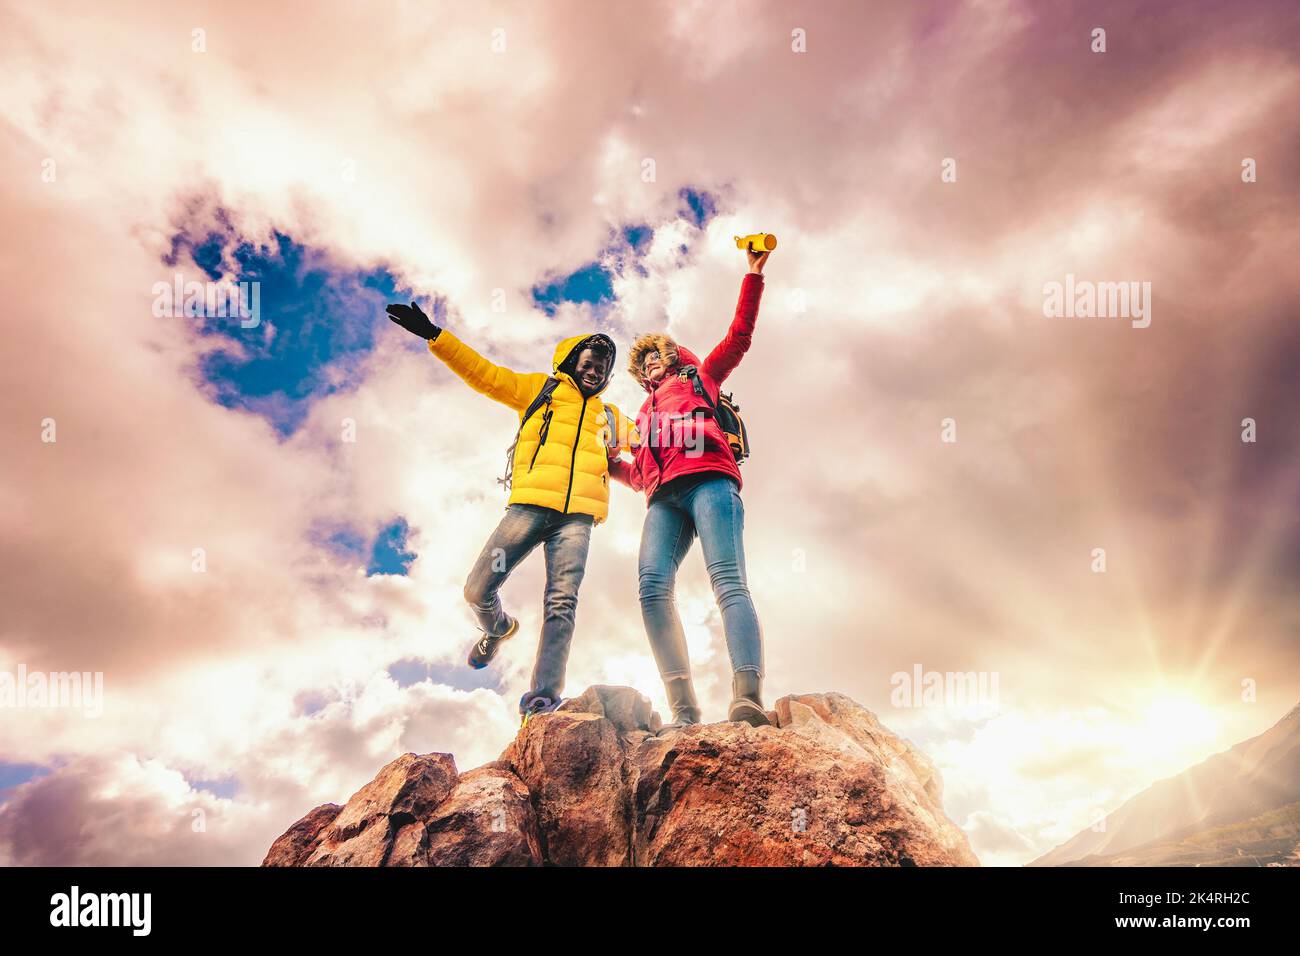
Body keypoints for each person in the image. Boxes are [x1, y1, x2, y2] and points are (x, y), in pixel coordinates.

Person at [386, 300, 631, 724]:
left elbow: (656, 435)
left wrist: (710, 425)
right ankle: (498, 628)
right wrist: (434, 335)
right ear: (572, 362)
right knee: (477, 589)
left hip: (578, 519)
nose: (594, 373)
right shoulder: (539, 390)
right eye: (589, 364)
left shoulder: (609, 416)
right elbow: (483, 373)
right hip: (530, 506)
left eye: (602, 370)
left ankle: (542, 699)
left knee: (562, 603)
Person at [607, 245, 771, 731]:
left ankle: (748, 697)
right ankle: (683, 709)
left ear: (671, 356)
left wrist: (752, 275)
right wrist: (609, 462)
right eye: (643, 364)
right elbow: (640, 473)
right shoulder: (641, 415)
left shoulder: (700, 378)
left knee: (728, 581)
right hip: (663, 500)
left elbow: (738, 338)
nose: (650, 365)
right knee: (651, 589)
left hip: (711, 482)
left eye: (656, 355)